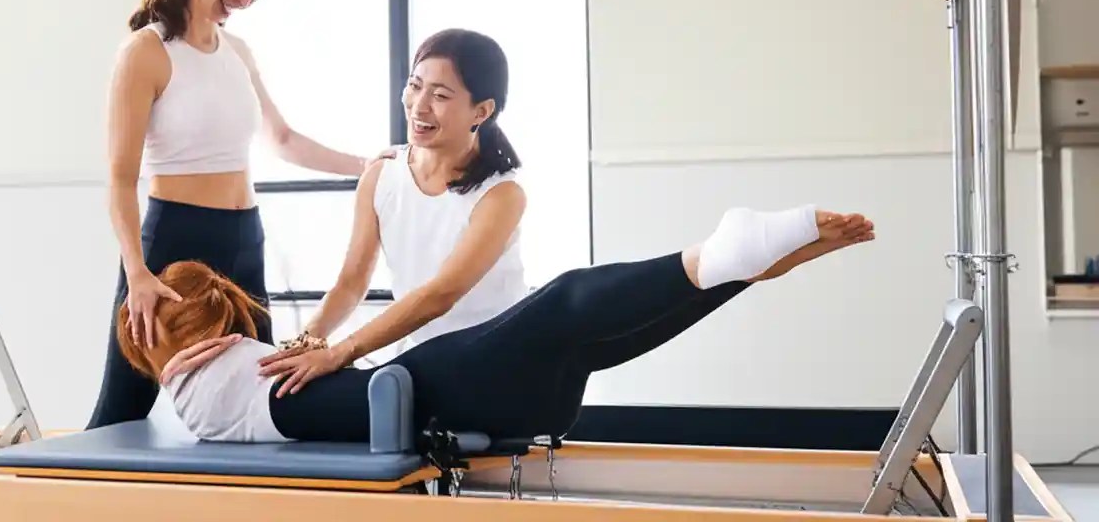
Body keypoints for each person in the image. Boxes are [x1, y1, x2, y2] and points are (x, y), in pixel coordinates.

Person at [118, 202, 875, 444]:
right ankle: (720, 258)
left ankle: (736, 269)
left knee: (590, 336)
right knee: (568, 299)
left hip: (463, 396)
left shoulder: (216, 382)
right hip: (436, 392)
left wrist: (296, 342)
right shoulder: (204, 390)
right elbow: (212, 347)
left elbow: (223, 340)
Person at [86, 0, 389, 430]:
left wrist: (368, 164)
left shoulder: (238, 52)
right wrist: (137, 272)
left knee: (266, 402)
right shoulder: (146, 52)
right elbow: (119, 176)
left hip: (245, 238)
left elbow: (284, 139)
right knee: (122, 407)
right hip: (172, 243)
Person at [247, 28, 530, 397]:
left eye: (440, 95)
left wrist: (338, 354)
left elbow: (440, 294)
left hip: (492, 362)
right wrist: (308, 340)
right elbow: (351, 282)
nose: (419, 105)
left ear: (482, 110)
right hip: (419, 362)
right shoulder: (382, 174)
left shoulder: (501, 195)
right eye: (415, 85)